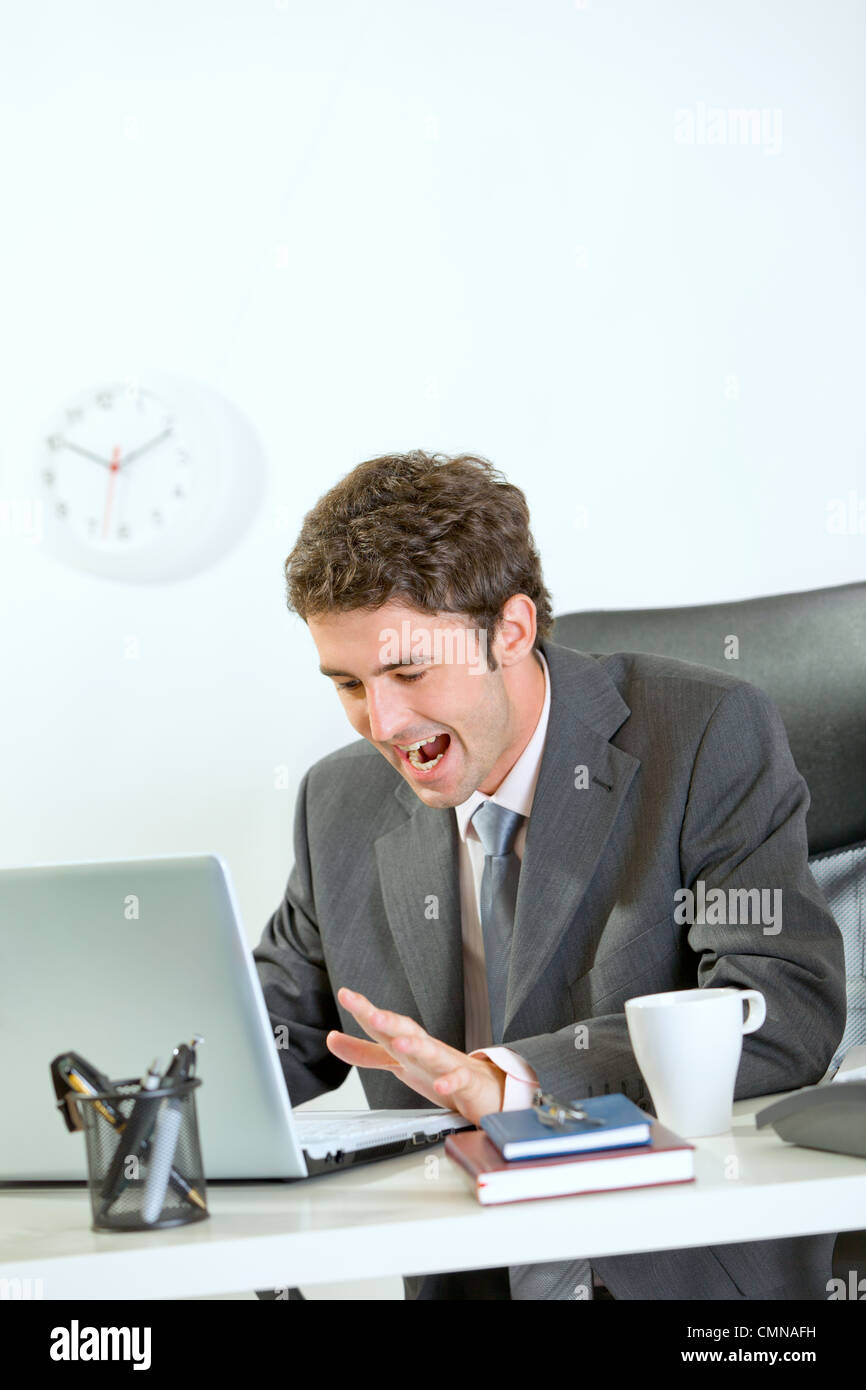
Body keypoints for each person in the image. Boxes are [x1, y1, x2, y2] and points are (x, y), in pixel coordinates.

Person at [253, 449, 846, 1300]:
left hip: (682, 1281)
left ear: (513, 630)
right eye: (348, 683)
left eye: (409, 672)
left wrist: (513, 1081)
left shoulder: (704, 736)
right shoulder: (337, 804)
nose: (381, 722)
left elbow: (785, 1009)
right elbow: (267, 1038)